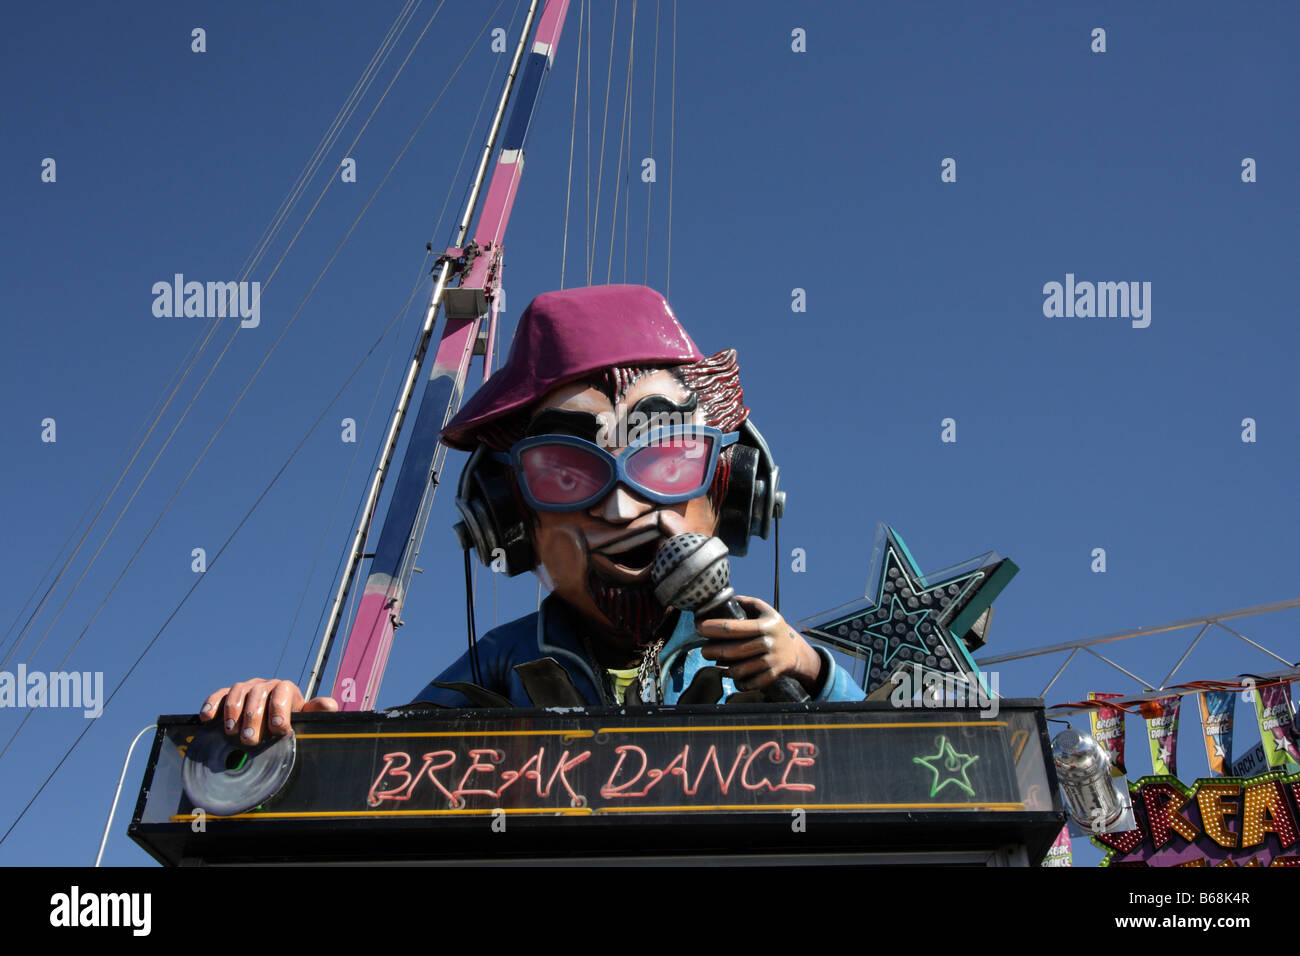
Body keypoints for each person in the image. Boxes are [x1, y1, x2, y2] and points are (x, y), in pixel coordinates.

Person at [200, 285, 863, 742]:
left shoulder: (756, 646)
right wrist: (305, 735)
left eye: (663, 456)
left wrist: (812, 671)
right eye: (566, 472)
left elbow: (895, 767)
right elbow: (394, 762)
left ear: (729, 490)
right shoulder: (501, 661)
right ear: (511, 521)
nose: (622, 504)